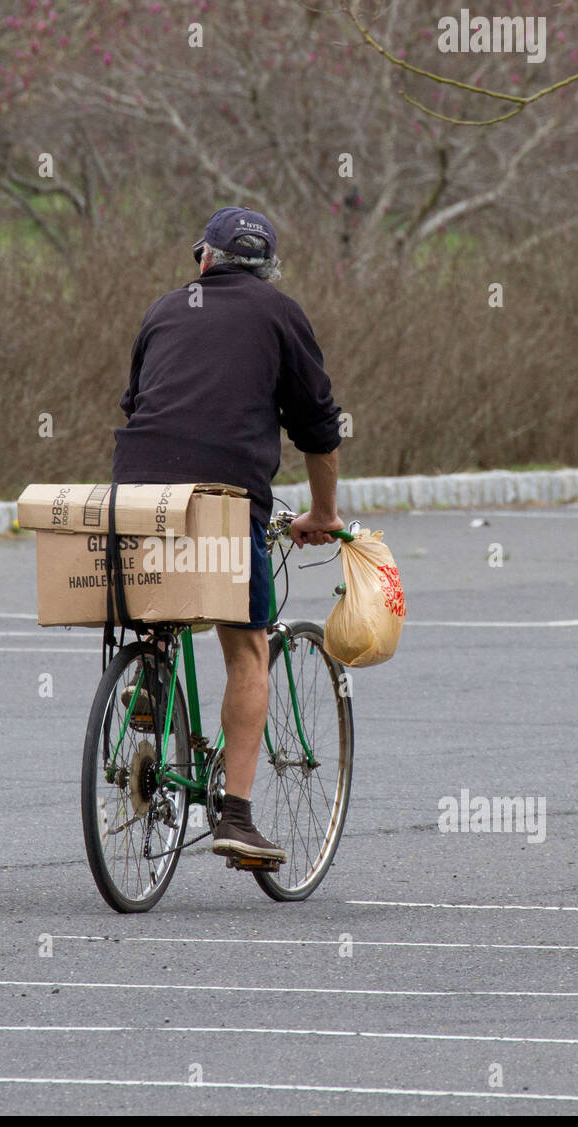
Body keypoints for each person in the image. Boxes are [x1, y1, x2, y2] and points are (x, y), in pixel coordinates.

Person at [111, 206, 343, 863]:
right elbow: (318, 427)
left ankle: (151, 674)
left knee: (167, 598)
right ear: (266, 270)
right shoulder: (280, 314)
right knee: (246, 651)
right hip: (226, 494)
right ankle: (236, 818)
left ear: (205, 259)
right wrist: (323, 513)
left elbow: (137, 404)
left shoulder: (162, 309)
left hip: (137, 492)